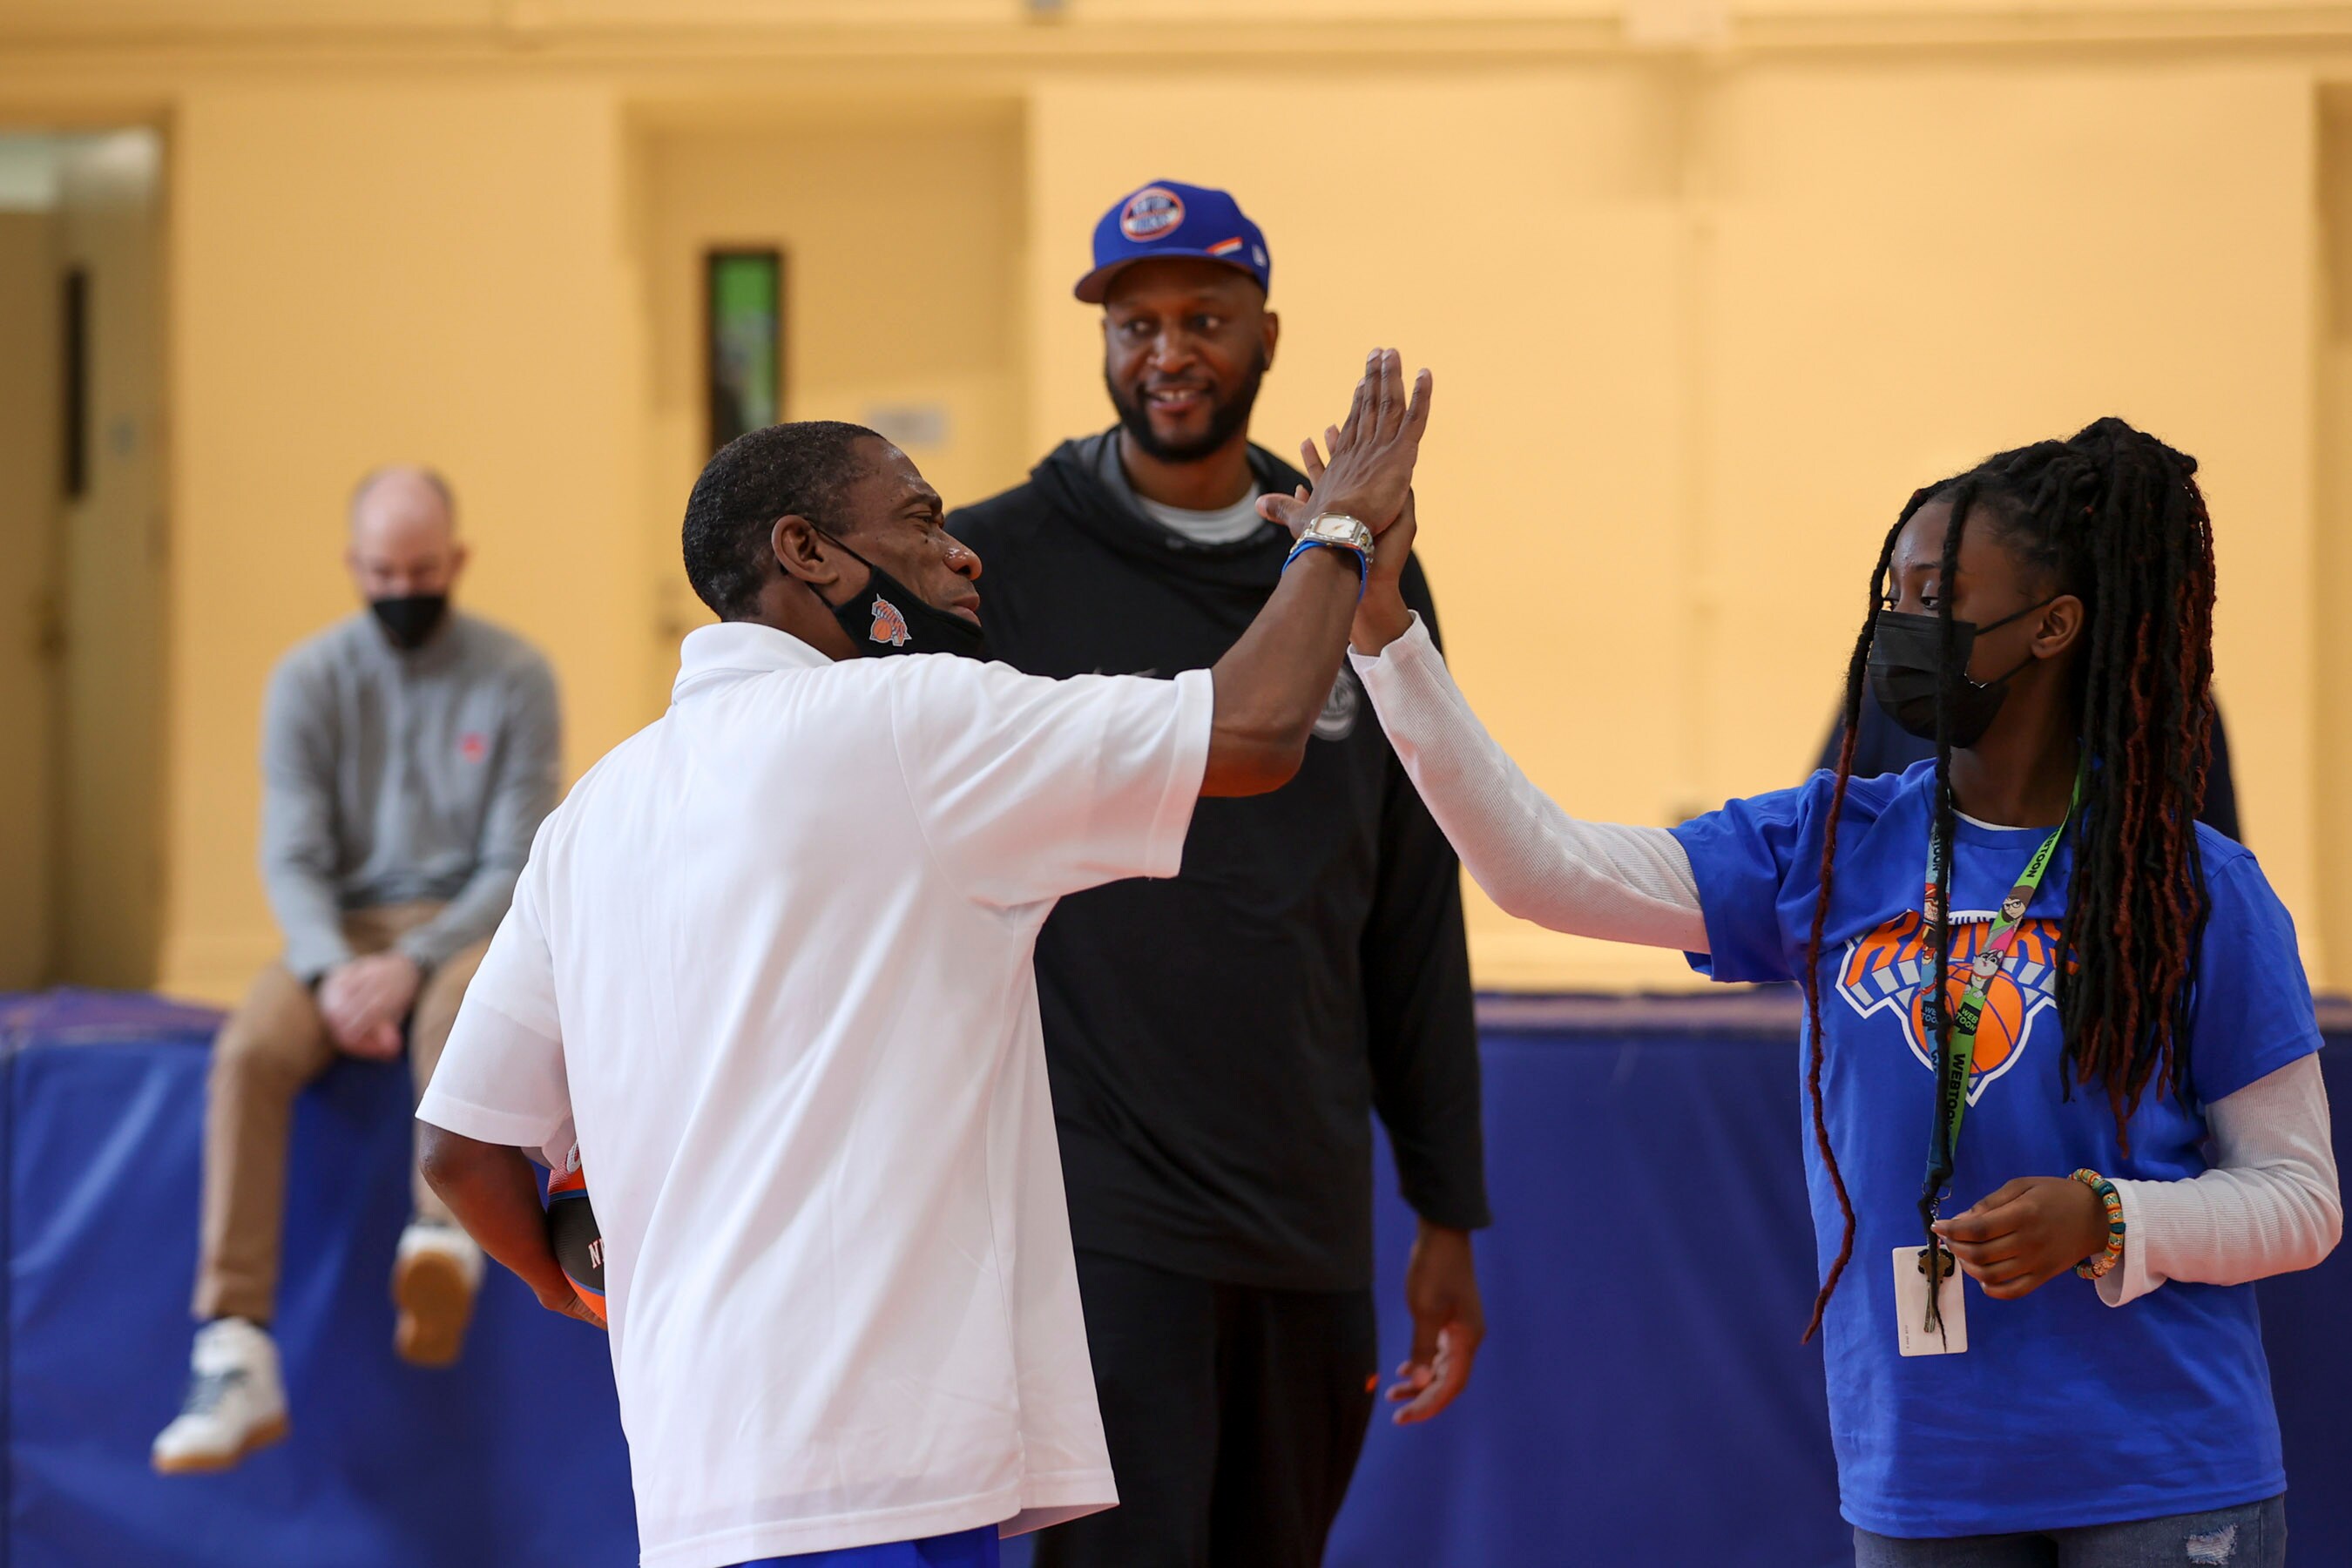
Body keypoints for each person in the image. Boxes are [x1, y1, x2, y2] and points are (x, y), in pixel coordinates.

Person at [413, 353, 1433, 1568]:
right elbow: (1259, 729)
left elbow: (462, 1151)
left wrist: (572, 1289)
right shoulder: (912, 720)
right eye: (921, 520)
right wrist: (1340, 524)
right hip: (883, 1485)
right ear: (807, 552)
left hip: (698, 1492)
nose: (964, 555)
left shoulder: (591, 815)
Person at [1305, 418, 2342, 1565]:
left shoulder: (2191, 884)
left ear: (2054, 626)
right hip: (1924, 1472)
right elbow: (1540, 868)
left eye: (1937, 591)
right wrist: (1383, 633)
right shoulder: (1833, 844)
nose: (1901, 620)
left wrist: (2108, 1219)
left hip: (2166, 1472)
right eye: (1892, 587)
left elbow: (2301, 1202)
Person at [948, 181, 1487, 1568]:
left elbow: (1413, 906)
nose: (1167, 351)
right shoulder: (1000, 563)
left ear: (1266, 336)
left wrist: (1443, 1210)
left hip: (1305, 1204)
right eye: (1136, 323)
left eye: (1203, 318)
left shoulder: (1363, 579)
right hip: (1099, 1203)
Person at [152, 465, 562, 1474]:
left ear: (456, 563)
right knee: (249, 1051)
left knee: (455, 1010)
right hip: (335, 935)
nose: (402, 588)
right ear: (353, 567)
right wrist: (336, 967)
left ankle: (440, 1242)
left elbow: (514, 858)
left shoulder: (514, 675)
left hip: (463, 926)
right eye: (382, 570)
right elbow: (291, 855)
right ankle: (235, 1342)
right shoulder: (307, 679)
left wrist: (414, 962)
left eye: (422, 569)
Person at [1815, 685, 2243, 841]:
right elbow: (1827, 847)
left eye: (1935, 598)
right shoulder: (1894, 690)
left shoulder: (2176, 707)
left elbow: (2212, 885)